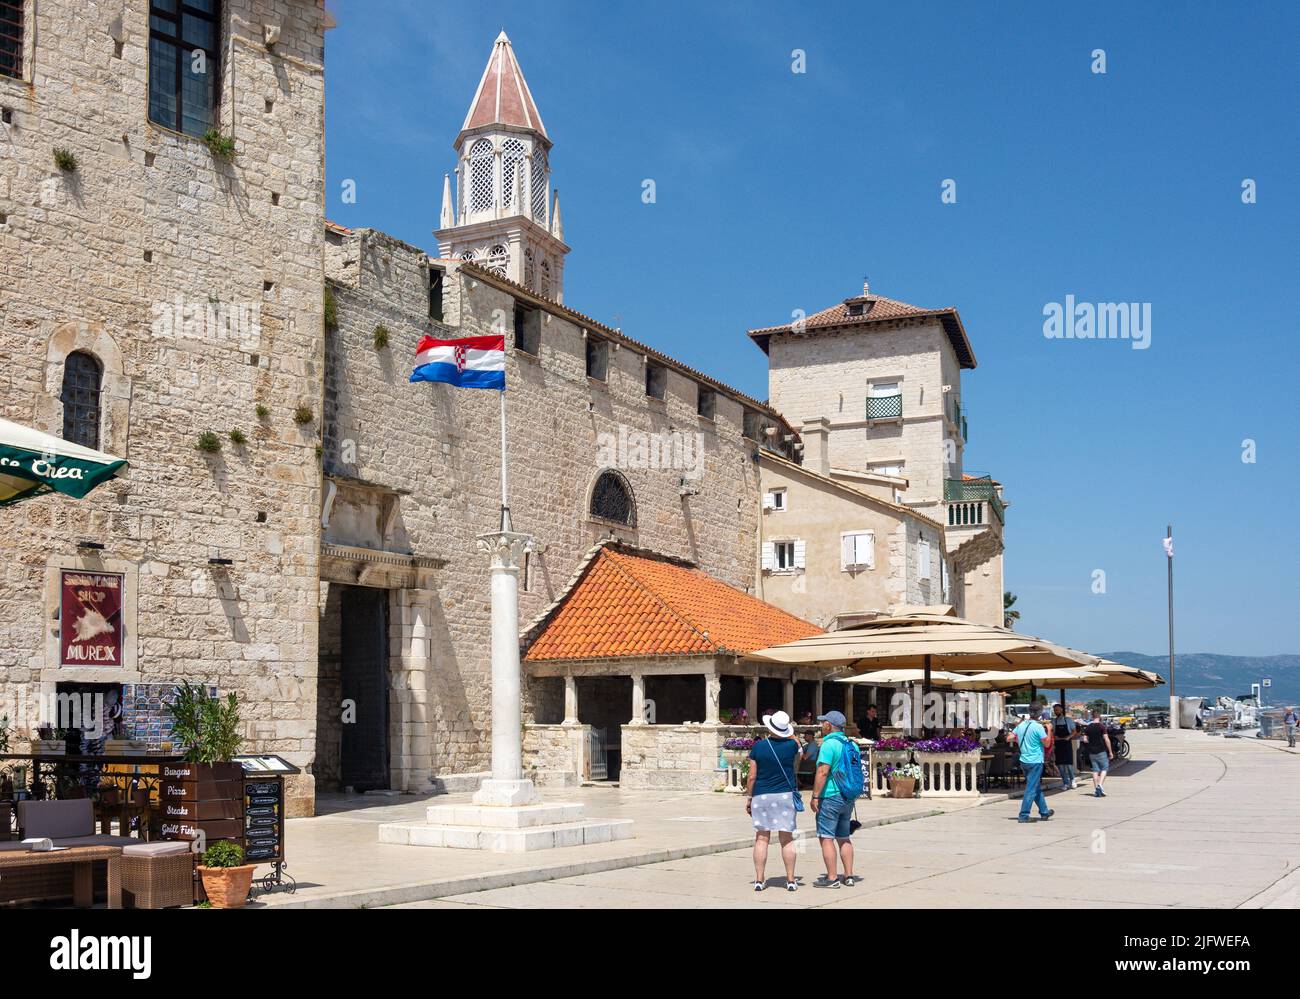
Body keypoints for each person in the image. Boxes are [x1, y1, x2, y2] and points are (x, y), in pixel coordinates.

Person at [745, 710, 801, 892]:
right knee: (787, 839)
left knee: (761, 838)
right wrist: (789, 733)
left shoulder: (758, 747)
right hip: (785, 795)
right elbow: (800, 749)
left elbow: (752, 776)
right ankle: (791, 880)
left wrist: (749, 797)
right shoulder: (792, 746)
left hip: (761, 795)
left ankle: (759, 880)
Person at [811, 710, 857, 888]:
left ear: (829, 725)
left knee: (826, 837)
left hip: (830, 795)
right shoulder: (850, 744)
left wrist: (815, 795)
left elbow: (823, 772)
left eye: (824, 722)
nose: (821, 725)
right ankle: (849, 875)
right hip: (847, 796)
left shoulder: (828, 745)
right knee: (844, 837)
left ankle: (832, 878)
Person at [1010, 710, 1054, 823]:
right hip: (1035, 761)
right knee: (1031, 789)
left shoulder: (1021, 725)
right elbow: (1047, 743)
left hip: (1024, 760)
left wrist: (1019, 739)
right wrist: (1049, 729)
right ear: (1039, 716)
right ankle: (1023, 815)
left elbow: (1008, 738)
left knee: (1036, 787)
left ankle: (1044, 812)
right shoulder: (1038, 727)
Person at [1083, 709, 1113, 796]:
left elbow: (1085, 740)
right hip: (1101, 750)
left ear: (1092, 716)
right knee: (1104, 768)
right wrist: (1110, 752)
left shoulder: (1088, 727)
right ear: (1099, 717)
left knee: (1095, 770)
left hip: (1092, 752)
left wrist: (1091, 743)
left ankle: (1096, 789)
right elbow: (1106, 739)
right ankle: (1100, 785)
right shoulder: (1102, 727)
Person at [1051, 703, 1079, 790]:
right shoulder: (1054, 721)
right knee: (1060, 765)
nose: (1056, 711)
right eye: (1055, 710)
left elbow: (1074, 731)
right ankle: (1065, 783)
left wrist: (1068, 737)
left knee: (1068, 764)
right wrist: (1054, 737)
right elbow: (1053, 733)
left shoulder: (1068, 720)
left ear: (1061, 710)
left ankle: (1072, 780)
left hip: (1067, 744)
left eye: (1057, 710)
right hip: (1058, 744)